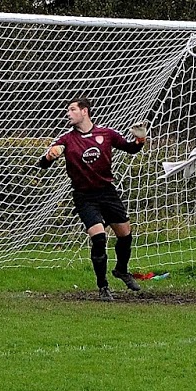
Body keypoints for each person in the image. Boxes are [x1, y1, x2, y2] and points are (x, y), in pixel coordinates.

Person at [38, 98, 147, 300]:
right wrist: (49, 157)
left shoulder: (106, 134)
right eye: (67, 110)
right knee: (98, 238)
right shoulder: (66, 140)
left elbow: (130, 148)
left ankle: (122, 270)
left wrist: (140, 140)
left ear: (84, 111)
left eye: (72, 110)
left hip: (107, 192)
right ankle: (103, 286)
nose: (68, 114)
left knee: (125, 235)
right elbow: (42, 163)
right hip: (84, 196)